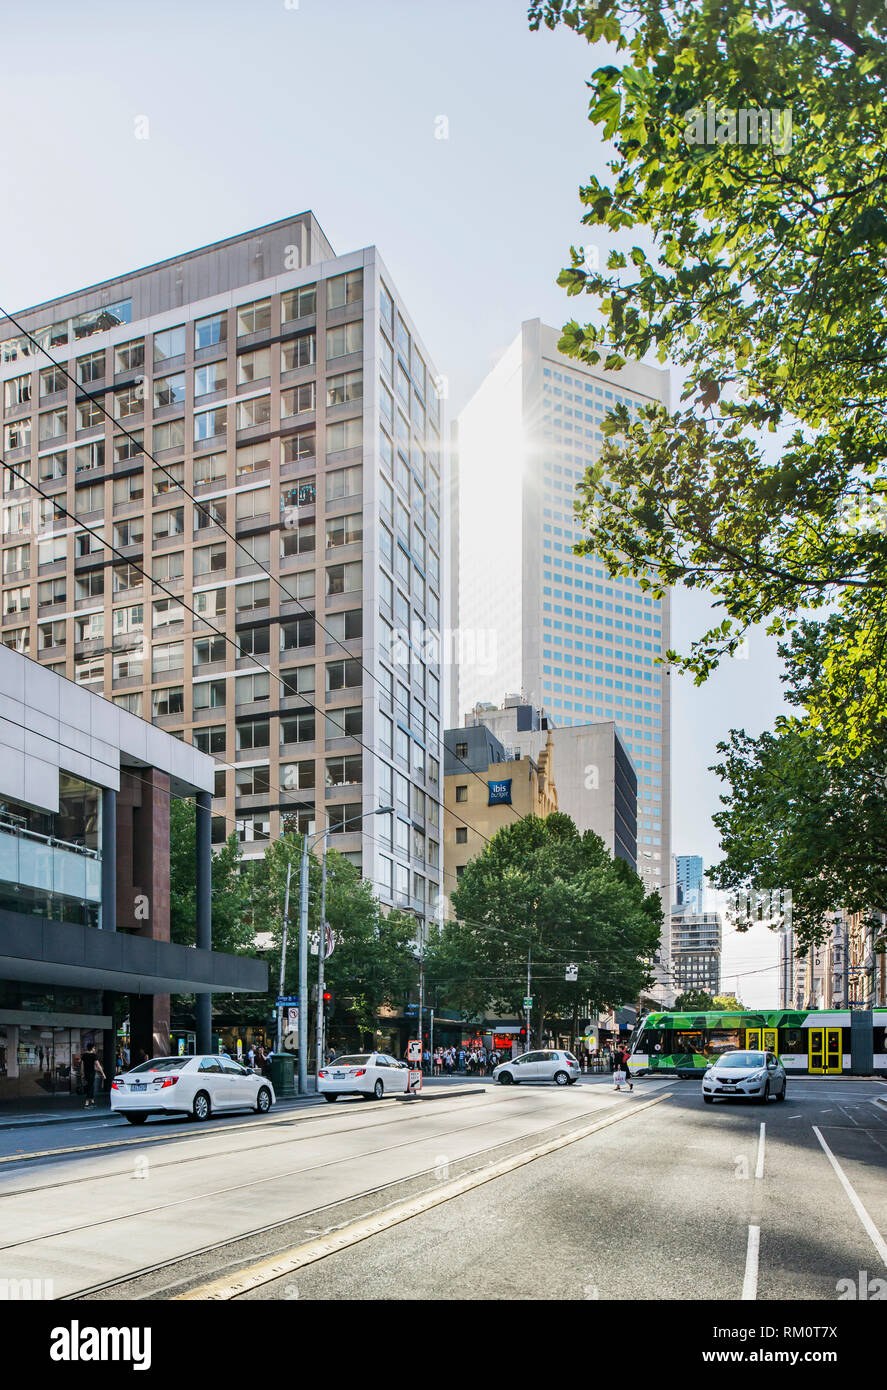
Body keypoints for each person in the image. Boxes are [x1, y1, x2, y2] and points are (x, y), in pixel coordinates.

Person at [80, 1043, 105, 1108]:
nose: (94, 1049)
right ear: (92, 1048)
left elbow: (82, 1065)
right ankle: (87, 1103)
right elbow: (98, 1065)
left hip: (86, 1073)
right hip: (91, 1073)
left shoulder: (84, 1055)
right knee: (90, 1087)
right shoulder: (94, 1055)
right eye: (94, 1048)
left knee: (91, 1086)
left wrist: (82, 1074)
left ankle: (92, 1101)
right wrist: (103, 1073)